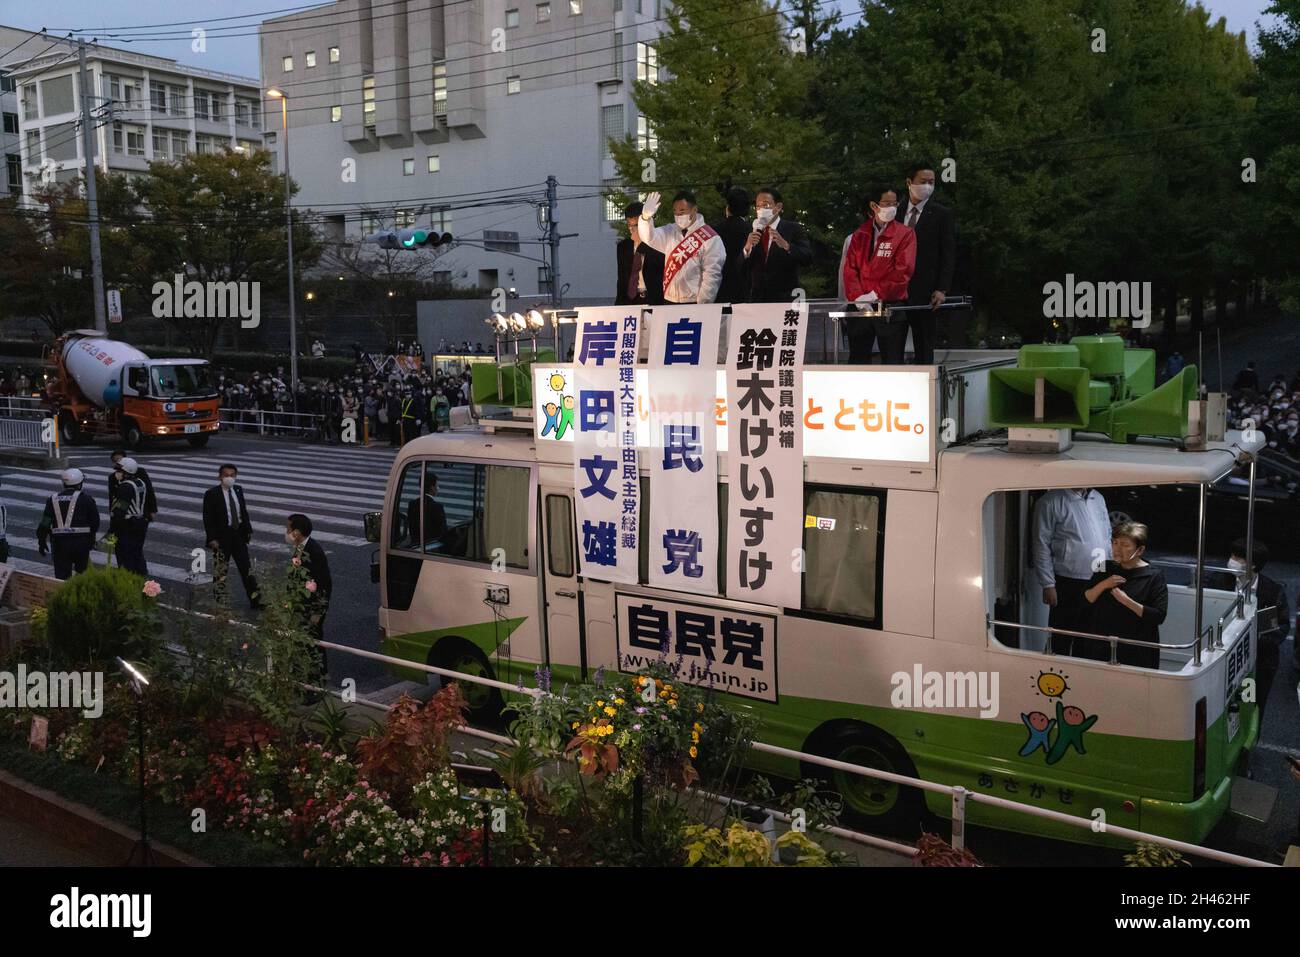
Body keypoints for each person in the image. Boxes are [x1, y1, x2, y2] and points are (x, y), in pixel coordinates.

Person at [1211, 539, 1291, 716]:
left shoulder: (1272, 591)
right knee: (1220, 708)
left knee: (1249, 706)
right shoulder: (1217, 581)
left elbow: (1281, 627)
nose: (1232, 560)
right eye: (1232, 555)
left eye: (1238, 558)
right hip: (1221, 660)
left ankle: (1247, 743)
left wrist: (1254, 639)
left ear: (1253, 565)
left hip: (1257, 664)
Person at [841, 186, 917, 364]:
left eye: (895, 203)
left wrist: (875, 294)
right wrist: (858, 298)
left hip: (890, 306)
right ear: (874, 206)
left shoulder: (905, 234)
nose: (892, 207)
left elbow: (903, 271)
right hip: (860, 307)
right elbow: (850, 270)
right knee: (858, 360)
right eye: (887, 203)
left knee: (892, 360)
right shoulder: (860, 234)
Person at [1031, 487, 1112, 654]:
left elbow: (1107, 535)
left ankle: (1083, 677)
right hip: (1068, 581)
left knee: (1090, 637)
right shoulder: (1051, 500)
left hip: (1098, 578)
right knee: (1061, 637)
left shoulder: (1098, 497)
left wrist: (1110, 572)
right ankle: (1055, 675)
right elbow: (1041, 543)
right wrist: (1048, 584)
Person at [1082, 522, 1169, 668]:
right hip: (1101, 645)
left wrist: (1125, 600)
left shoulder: (1154, 575)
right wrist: (1104, 584)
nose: (1117, 549)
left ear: (1140, 550)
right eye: (1115, 543)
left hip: (1136, 648)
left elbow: (1158, 616)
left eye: (1124, 545)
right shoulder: (1104, 566)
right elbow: (1086, 599)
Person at [898, 161, 956, 364]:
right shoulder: (895, 212)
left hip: (926, 292)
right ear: (909, 182)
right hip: (896, 292)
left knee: (924, 347)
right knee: (893, 347)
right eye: (923, 181)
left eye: (932, 182)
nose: (928, 186)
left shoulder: (941, 214)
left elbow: (948, 254)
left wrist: (942, 288)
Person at [636, 189, 726, 304]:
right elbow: (649, 238)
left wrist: (703, 304)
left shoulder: (710, 238)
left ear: (694, 210)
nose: (678, 216)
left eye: (682, 212)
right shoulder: (670, 231)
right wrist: (645, 218)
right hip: (670, 300)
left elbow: (712, 275)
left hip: (694, 302)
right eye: (675, 212)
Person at [203, 464, 261, 610]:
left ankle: (255, 600)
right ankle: (220, 601)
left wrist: (248, 531)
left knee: (247, 570)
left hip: (238, 535)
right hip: (222, 537)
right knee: (221, 570)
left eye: (232, 475)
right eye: (226, 475)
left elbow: (243, 511)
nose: (229, 478)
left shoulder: (238, 489)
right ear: (220, 476)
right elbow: (208, 518)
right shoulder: (212, 493)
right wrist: (212, 538)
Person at [743, 186, 813, 305]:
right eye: (758, 206)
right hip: (757, 300)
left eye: (766, 205)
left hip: (786, 299)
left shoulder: (793, 229)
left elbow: (807, 258)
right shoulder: (753, 230)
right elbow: (740, 267)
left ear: (778, 207)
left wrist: (786, 245)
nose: (761, 209)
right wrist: (747, 249)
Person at [287, 513, 331, 680]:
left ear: (297, 532)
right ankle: (307, 676)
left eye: (288, 528)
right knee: (305, 641)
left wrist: (318, 611)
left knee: (314, 642)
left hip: (312, 607)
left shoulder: (313, 551)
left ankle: (317, 678)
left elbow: (325, 584)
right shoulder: (301, 548)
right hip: (301, 605)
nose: (287, 532)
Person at [37, 469, 101, 580]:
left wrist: (41, 540)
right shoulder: (87, 499)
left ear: (64, 483)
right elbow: (95, 522)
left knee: (62, 576)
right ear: (80, 483)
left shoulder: (52, 499)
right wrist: (91, 539)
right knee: (82, 574)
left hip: (60, 544)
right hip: (81, 543)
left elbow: (45, 523)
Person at [615, 201, 666, 306]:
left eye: (636, 225)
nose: (632, 229)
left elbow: (659, 268)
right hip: (629, 300)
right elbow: (622, 278)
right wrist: (619, 303)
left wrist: (641, 244)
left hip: (652, 299)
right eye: (629, 225)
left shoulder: (658, 242)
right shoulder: (623, 246)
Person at [109, 457, 150, 576]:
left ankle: (129, 581)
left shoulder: (125, 487)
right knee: (137, 553)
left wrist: (112, 532)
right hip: (140, 524)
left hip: (127, 527)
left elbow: (120, 511)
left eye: (120, 471)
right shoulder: (140, 483)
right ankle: (141, 578)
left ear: (126, 473)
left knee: (125, 557)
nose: (117, 473)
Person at [713, 186, 753, 306]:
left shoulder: (714, 230)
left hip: (718, 286)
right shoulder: (751, 231)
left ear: (728, 208)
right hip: (743, 289)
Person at [108, 449, 158, 522]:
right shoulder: (113, 477)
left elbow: (149, 491)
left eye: (120, 460)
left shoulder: (139, 474)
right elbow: (112, 496)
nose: (118, 463)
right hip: (127, 515)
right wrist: (113, 513)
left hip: (138, 513)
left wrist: (153, 510)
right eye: (115, 461)